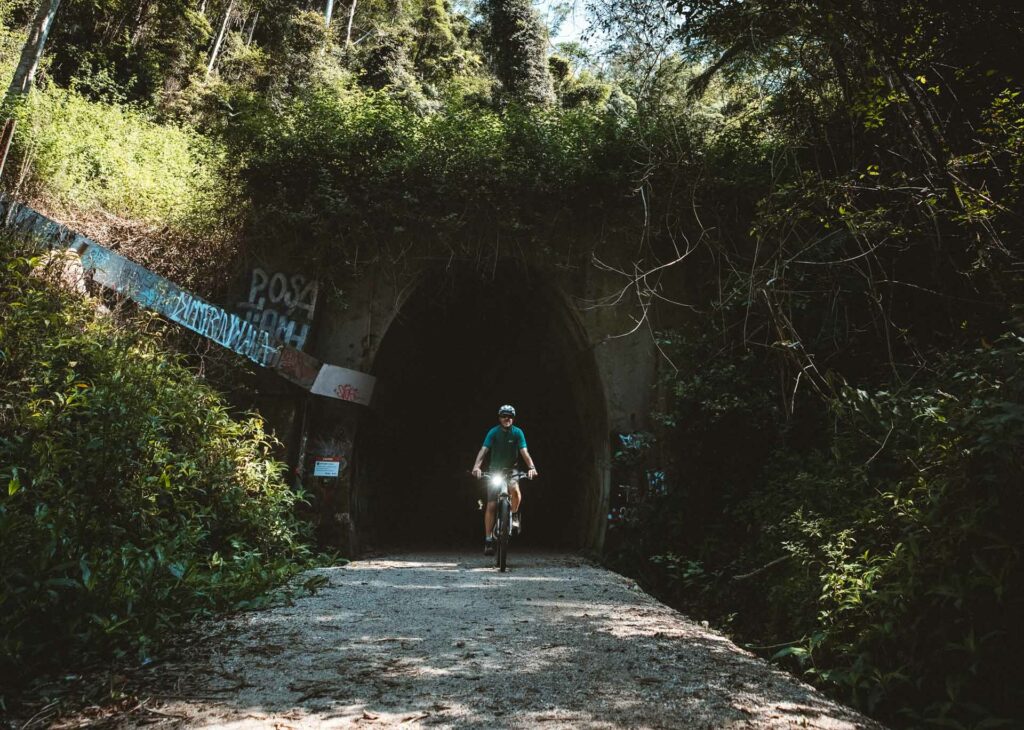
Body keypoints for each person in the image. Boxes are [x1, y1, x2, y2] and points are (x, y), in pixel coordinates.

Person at [471, 404, 538, 555]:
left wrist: (532, 467)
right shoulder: (493, 432)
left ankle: (514, 515)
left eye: (510, 416)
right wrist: (476, 467)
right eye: (504, 416)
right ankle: (488, 540)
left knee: (515, 490)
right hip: (495, 470)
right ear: (499, 418)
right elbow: (484, 450)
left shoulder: (517, 432)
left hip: (511, 469)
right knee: (492, 504)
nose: (507, 419)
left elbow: (524, 451)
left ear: (513, 419)